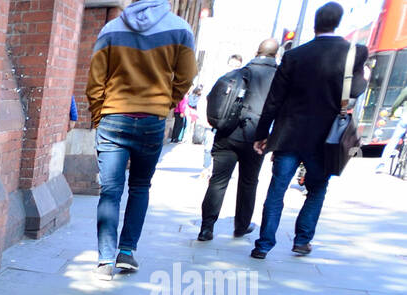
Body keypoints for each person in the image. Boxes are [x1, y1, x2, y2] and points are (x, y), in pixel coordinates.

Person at [86, 0, 197, 280]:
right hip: (152, 120)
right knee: (139, 186)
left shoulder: (111, 29)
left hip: (114, 117)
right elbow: (185, 78)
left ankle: (104, 260)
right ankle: (126, 251)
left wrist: (99, 115)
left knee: (110, 191)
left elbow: (96, 80)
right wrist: (164, 104)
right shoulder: (180, 29)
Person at [251, 2, 369, 258]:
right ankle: (302, 241)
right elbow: (356, 91)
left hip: (288, 136)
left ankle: (263, 245)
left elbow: (274, 100)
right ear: (337, 23)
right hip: (325, 139)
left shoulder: (294, 55)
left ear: (315, 23)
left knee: (276, 190)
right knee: (316, 189)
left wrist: (262, 135)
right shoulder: (354, 53)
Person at [198, 41, 280, 240]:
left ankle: (206, 228)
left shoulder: (241, 72)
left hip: (227, 133)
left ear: (256, 52)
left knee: (218, 181)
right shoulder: (280, 77)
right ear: (275, 55)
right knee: (249, 182)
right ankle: (241, 226)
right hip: (257, 137)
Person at [374, 85, 407, 174]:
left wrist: (391, 112)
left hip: (405, 119)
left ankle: (381, 165)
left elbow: (397, 103)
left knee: (393, 141)